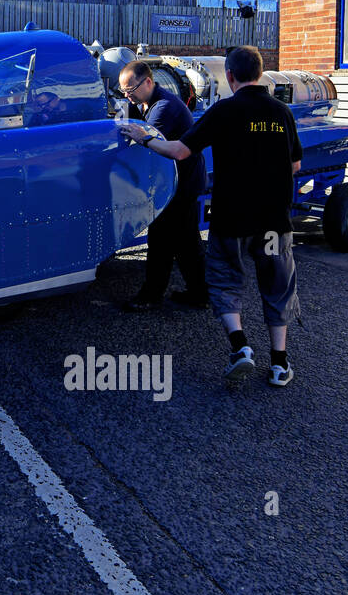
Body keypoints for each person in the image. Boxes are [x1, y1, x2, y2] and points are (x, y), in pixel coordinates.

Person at [119, 46, 302, 388]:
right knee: (277, 289)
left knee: (225, 283)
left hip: (232, 218)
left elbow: (178, 150)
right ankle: (279, 364)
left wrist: (144, 139)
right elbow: (295, 166)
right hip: (275, 222)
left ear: (229, 76)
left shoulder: (224, 111)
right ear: (260, 73)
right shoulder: (282, 112)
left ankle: (240, 347)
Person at [117, 62, 207, 311]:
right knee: (186, 241)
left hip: (180, 185)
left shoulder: (164, 107)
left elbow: (145, 138)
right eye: (123, 91)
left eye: (131, 89)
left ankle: (151, 295)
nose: (127, 96)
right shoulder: (145, 102)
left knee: (162, 240)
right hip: (177, 182)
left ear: (148, 82)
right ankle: (199, 294)